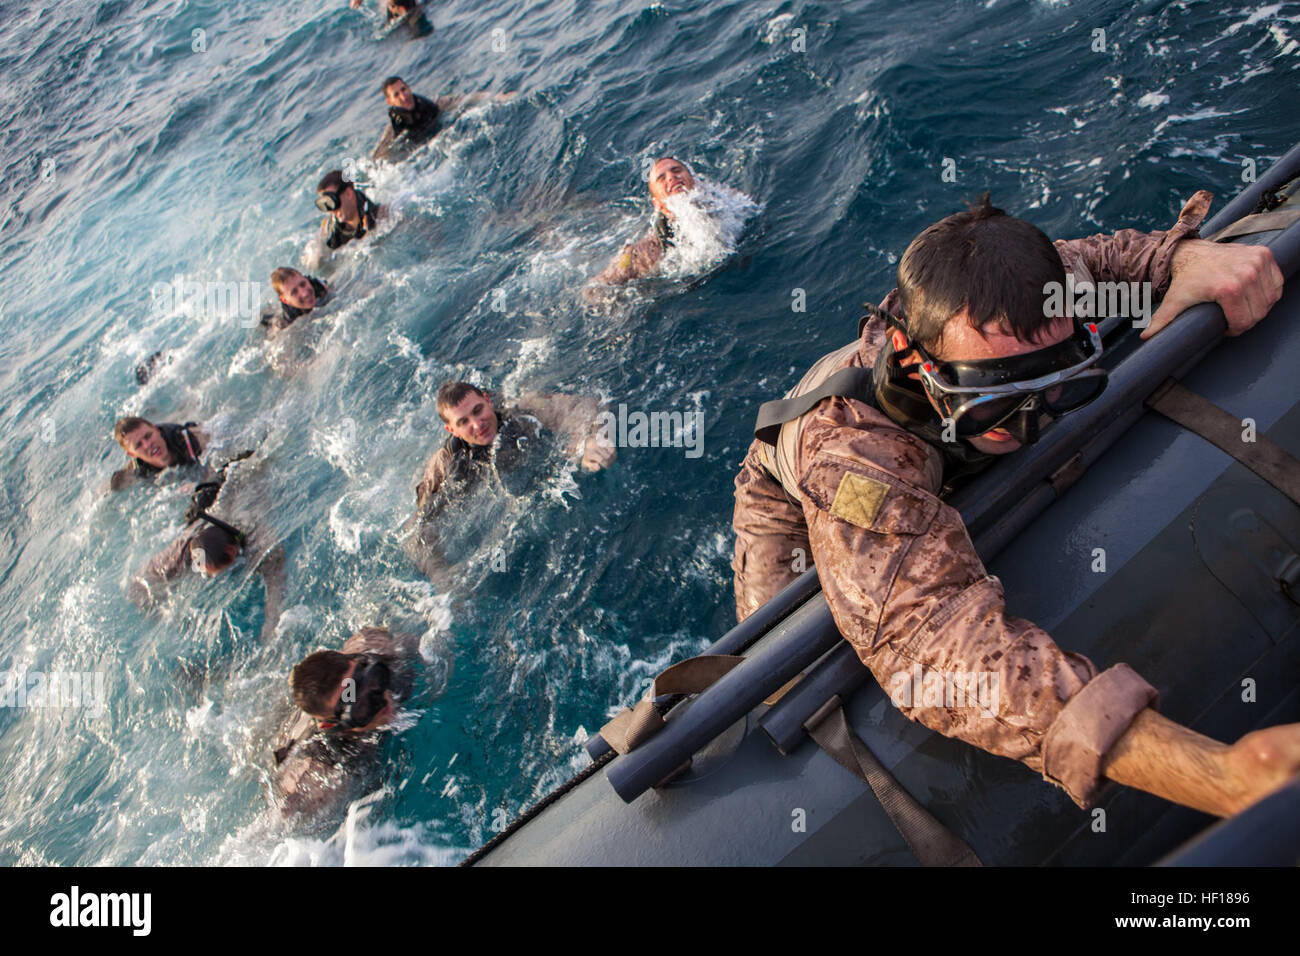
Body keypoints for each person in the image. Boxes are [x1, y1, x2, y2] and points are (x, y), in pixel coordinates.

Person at [731, 190, 1298, 820]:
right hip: (790, 494)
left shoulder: (1025, 304)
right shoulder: (850, 457)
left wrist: (1179, 256)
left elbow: (1102, 258)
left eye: (1057, 388)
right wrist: (1216, 774)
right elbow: (927, 643)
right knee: (791, 678)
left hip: (944, 442)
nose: (1031, 423)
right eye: (997, 403)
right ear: (919, 365)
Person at [404, 382, 615, 578]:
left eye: (478, 410)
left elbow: (584, 406)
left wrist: (588, 440)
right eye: (463, 422)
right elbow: (416, 528)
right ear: (452, 430)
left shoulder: (523, 410)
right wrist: (441, 574)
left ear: (487, 400)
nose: (477, 425)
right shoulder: (445, 465)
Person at [127, 455, 285, 641]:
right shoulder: (184, 545)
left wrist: (271, 628)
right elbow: (139, 583)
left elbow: (277, 586)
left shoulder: (258, 538)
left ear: (231, 551)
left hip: (252, 480)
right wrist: (157, 615)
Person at [271, 626, 421, 818]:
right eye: (361, 707)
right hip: (290, 732)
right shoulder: (323, 774)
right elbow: (279, 820)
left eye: (373, 679)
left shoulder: (376, 649)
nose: (381, 700)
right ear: (332, 726)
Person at [588, 157, 697, 288]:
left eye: (676, 170)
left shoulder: (724, 205)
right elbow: (593, 288)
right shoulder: (644, 253)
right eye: (661, 178)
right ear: (658, 204)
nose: (671, 177)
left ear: (694, 181)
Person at [372, 77, 516, 161]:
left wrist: (498, 97)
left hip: (442, 139)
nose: (403, 97)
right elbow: (378, 157)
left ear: (409, 87)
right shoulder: (392, 131)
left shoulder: (432, 104)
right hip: (418, 154)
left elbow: (466, 99)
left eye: (403, 89)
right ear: (390, 102)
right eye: (396, 95)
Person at [108, 416, 209, 492]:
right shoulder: (134, 472)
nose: (147, 445)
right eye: (139, 445)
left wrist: (201, 486)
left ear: (157, 430)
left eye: (148, 436)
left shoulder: (195, 440)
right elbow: (108, 491)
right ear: (132, 454)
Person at [308, 170, 384, 266]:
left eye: (332, 202)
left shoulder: (380, 217)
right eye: (325, 205)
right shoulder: (328, 229)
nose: (331, 211)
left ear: (348, 194)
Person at [261, 268, 329, 334]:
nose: (305, 294)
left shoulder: (319, 284)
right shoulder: (290, 321)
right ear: (285, 300)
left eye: (303, 284)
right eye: (294, 292)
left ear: (305, 279)